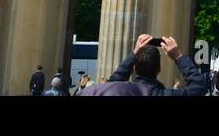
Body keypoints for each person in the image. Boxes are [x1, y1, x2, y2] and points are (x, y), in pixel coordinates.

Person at [77, 34, 208, 97]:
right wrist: (178, 56)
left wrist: (134, 53)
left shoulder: (112, 91)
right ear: (159, 70)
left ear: (134, 68)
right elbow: (199, 87)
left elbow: (114, 82)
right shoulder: (164, 94)